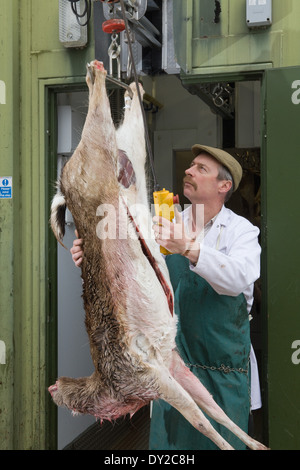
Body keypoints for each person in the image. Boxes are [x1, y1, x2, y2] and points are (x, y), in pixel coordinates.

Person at [70, 144, 262, 450]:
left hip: (224, 367)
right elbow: (130, 276)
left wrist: (188, 248)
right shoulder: (160, 222)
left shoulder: (241, 232)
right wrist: (92, 260)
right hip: (174, 367)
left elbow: (239, 277)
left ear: (223, 186)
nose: (188, 170)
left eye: (201, 168)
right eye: (191, 165)